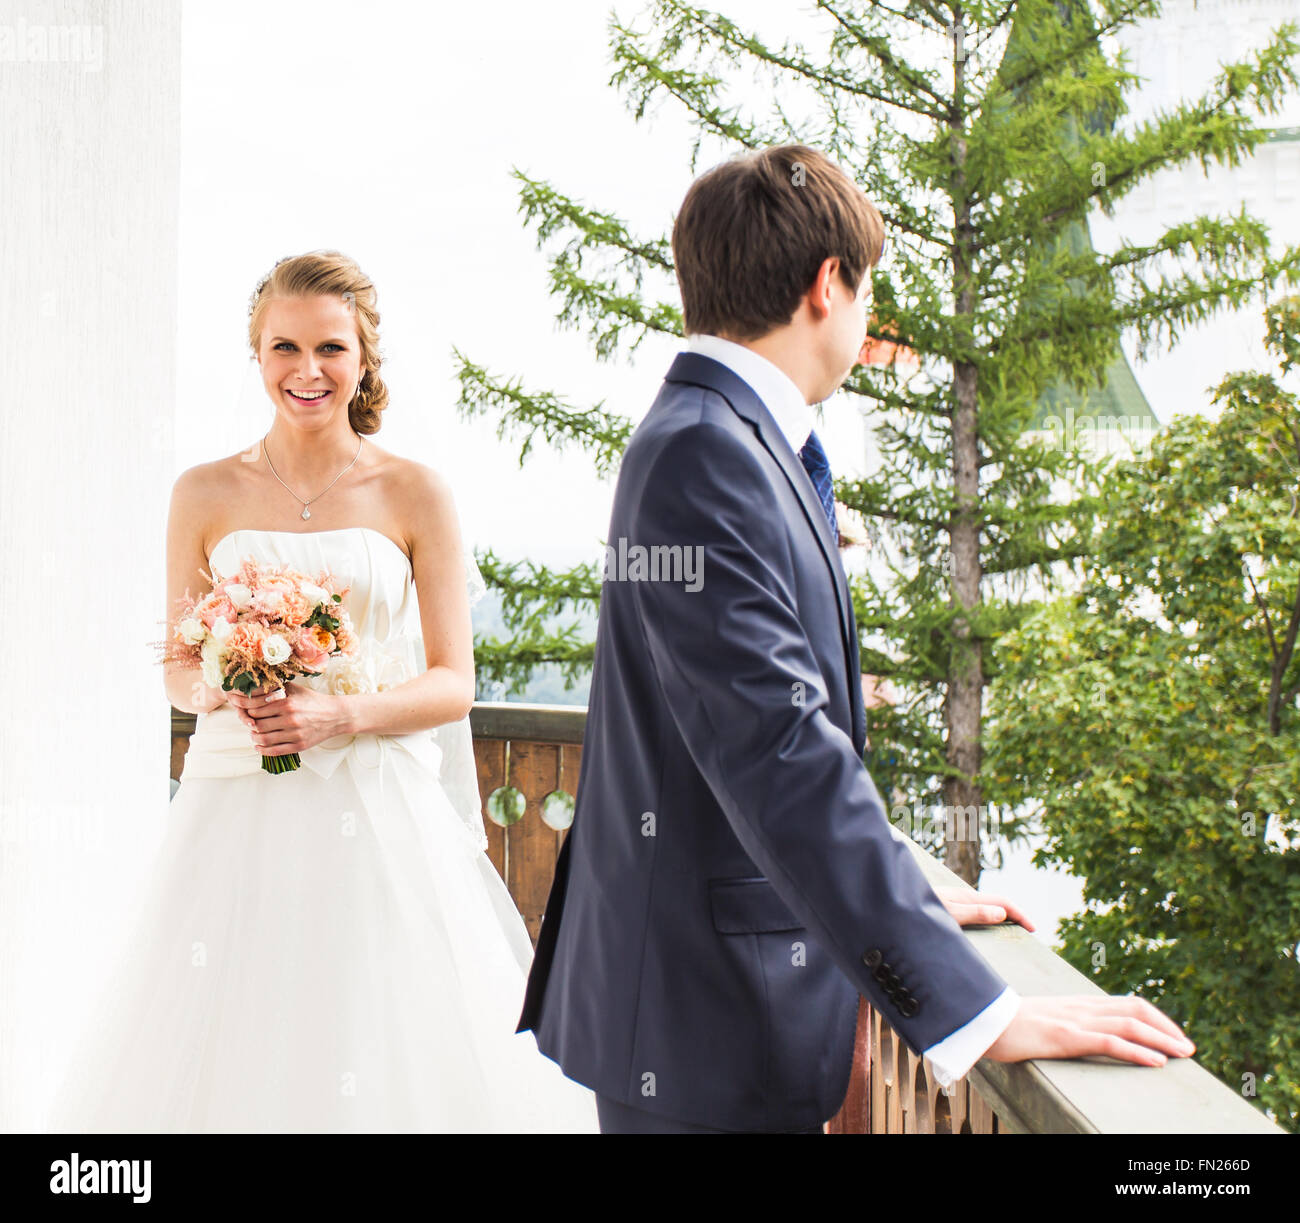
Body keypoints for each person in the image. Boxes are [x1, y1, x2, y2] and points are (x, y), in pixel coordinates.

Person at [516, 144, 1196, 1134]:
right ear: (827, 283)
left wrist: (898, 896)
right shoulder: (709, 453)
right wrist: (978, 1006)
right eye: (869, 289)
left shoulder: (725, 436)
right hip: (700, 1017)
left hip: (703, 996)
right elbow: (776, 748)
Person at [45, 251, 598, 1133]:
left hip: (373, 804)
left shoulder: (416, 492)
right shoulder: (203, 491)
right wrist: (228, 686)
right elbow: (177, 665)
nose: (307, 371)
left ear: (365, 358)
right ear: (257, 355)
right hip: (234, 801)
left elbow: (455, 683)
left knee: (370, 1025)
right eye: (284, 347)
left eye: (330, 348)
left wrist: (341, 712)